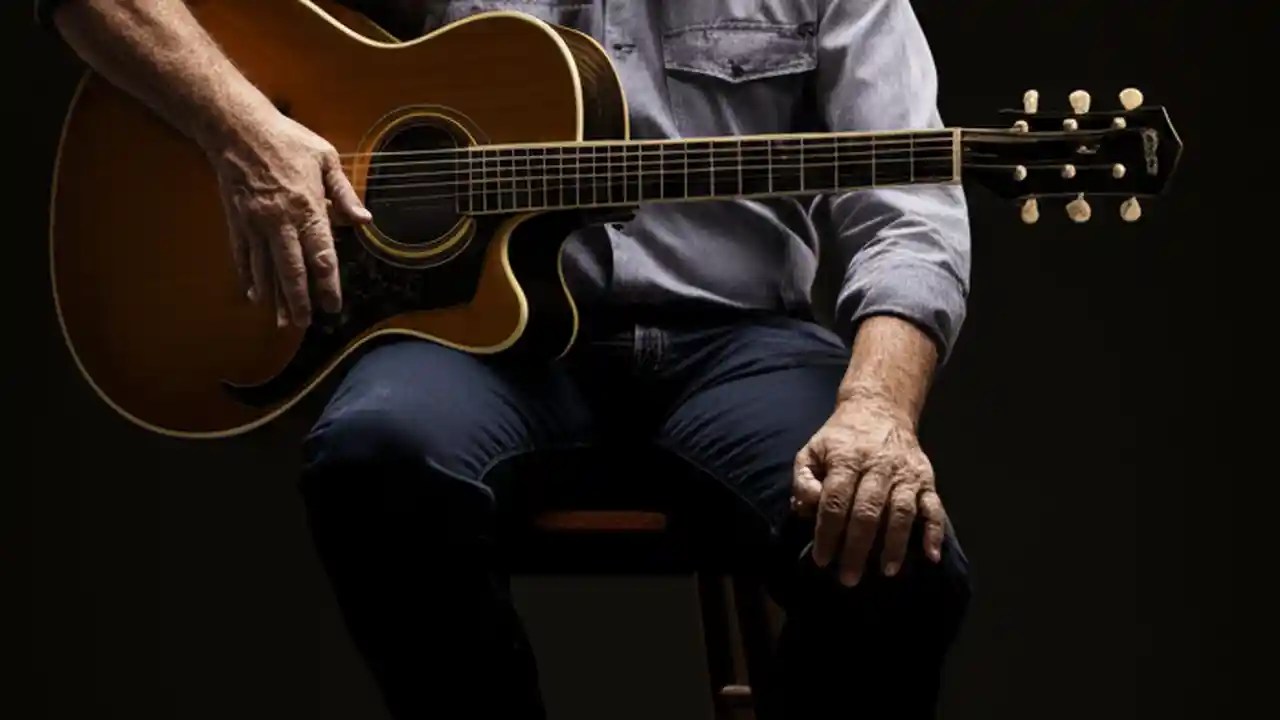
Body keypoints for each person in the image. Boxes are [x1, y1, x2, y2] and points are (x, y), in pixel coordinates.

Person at [40, 1, 973, 717]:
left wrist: (877, 409)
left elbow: (909, 208)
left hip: (738, 345)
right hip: (481, 345)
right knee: (374, 458)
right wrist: (242, 129)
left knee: (896, 555)